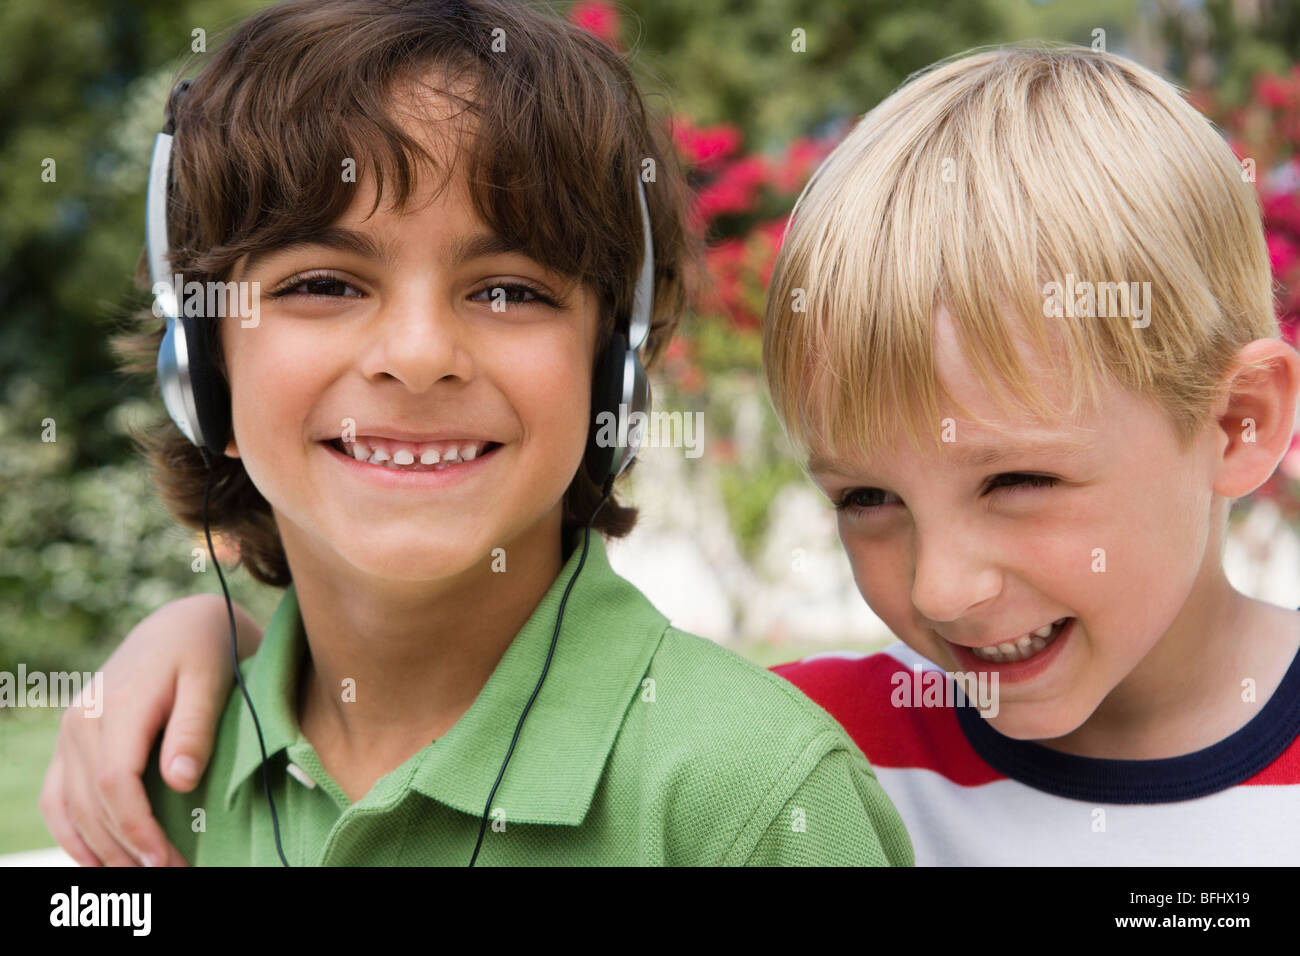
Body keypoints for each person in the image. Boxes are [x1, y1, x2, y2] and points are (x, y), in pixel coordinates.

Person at [38, 0, 912, 867]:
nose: (419, 357)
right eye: (325, 284)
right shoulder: (150, 782)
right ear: (203, 367)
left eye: (509, 290)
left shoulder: (751, 803)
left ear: (612, 368)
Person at [763, 45, 1300, 864]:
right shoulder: (794, 761)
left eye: (1017, 480)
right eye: (866, 498)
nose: (939, 590)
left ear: (1238, 424)